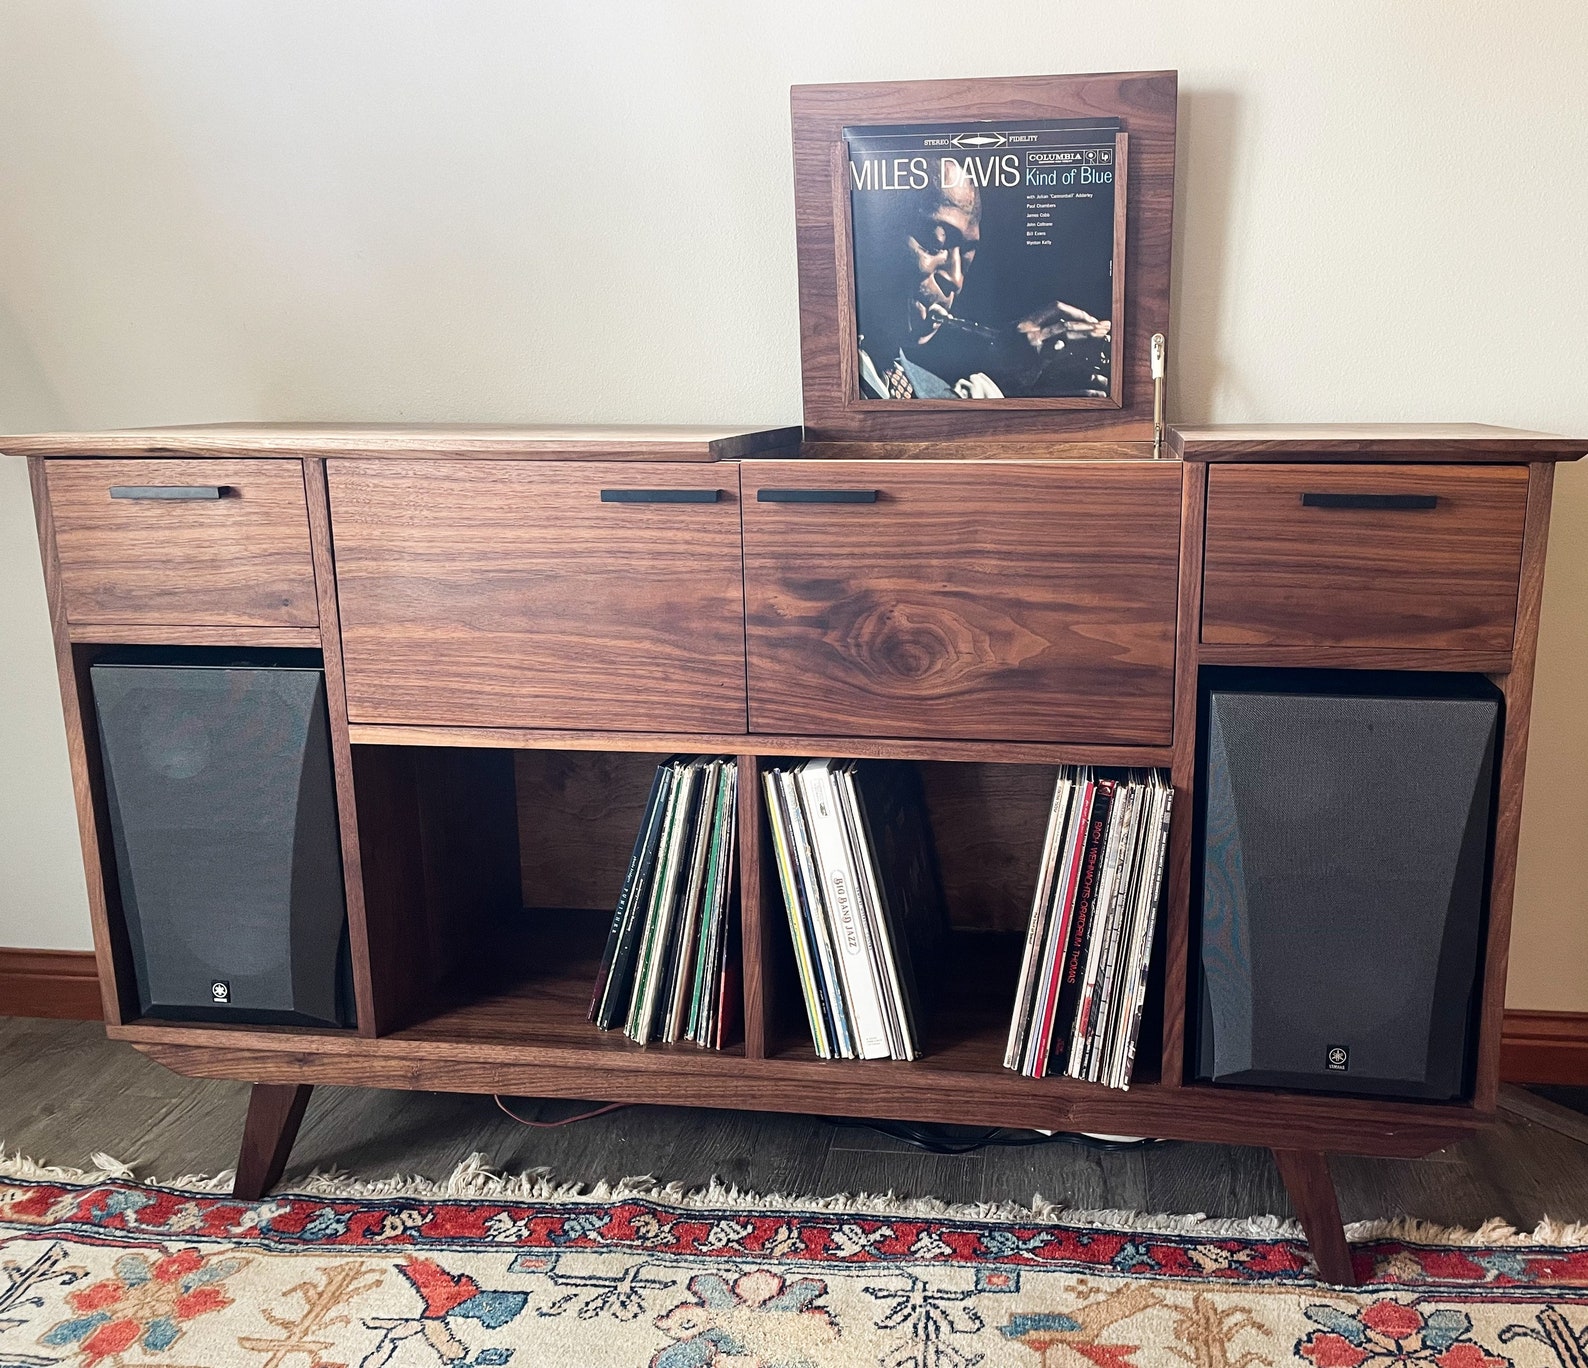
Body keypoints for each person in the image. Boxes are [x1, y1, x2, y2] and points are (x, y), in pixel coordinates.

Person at [850, 170, 1110, 400]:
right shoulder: (827, 371)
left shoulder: (936, 391)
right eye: (935, 242)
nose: (956, 280)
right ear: (874, 231)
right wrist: (1004, 384)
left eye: (966, 260)